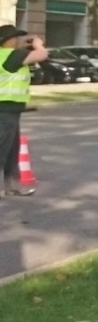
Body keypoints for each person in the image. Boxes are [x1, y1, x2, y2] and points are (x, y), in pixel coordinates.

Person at [0, 25, 47, 196]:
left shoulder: (8, 55)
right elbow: (42, 55)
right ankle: (8, 185)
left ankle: (12, 185)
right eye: (15, 38)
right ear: (9, 40)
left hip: (9, 108)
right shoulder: (14, 55)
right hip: (6, 108)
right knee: (3, 147)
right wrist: (38, 45)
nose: (17, 41)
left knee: (12, 148)